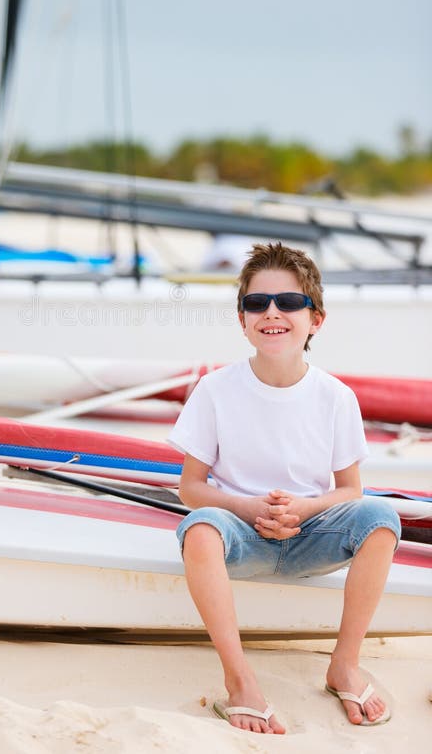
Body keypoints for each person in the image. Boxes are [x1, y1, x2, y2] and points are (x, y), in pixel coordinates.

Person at [168, 241, 401, 735]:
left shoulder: (336, 397)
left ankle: (345, 664)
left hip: (311, 532)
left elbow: (350, 491)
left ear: (315, 319)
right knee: (199, 529)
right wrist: (246, 507)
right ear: (242, 319)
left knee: (382, 520)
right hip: (241, 535)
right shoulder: (215, 389)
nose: (272, 313)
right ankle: (241, 682)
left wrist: (306, 506)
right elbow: (191, 487)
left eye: (289, 303)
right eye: (257, 303)